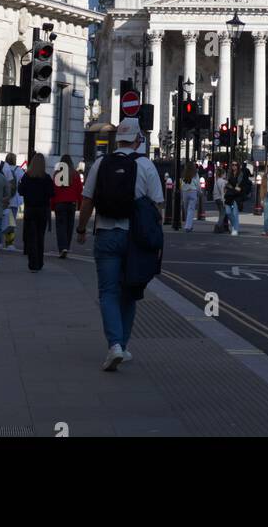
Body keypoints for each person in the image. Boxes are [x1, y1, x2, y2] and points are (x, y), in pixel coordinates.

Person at [76, 118, 164, 371]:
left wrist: (81, 229)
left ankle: (114, 345)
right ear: (138, 140)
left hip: (106, 233)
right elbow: (158, 206)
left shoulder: (101, 163)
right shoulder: (146, 165)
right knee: (130, 291)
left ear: (118, 140)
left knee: (107, 292)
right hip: (135, 238)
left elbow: (87, 200)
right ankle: (122, 346)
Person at [18, 153, 55, 271]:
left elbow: (21, 191)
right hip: (42, 209)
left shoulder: (26, 177)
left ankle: (32, 262)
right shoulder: (47, 178)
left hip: (30, 209)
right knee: (40, 236)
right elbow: (51, 193)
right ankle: (39, 261)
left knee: (31, 236)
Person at [51, 154, 82, 256]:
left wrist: (52, 205)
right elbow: (79, 191)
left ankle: (62, 247)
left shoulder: (57, 174)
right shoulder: (75, 174)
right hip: (71, 203)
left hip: (59, 203)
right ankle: (67, 247)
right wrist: (80, 204)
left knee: (61, 227)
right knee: (69, 226)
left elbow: (53, 191)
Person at [1, 151, 22, 250]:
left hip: (3, 199)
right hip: (14, 200)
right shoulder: (19, 170)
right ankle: (9, 243)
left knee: (1, 221)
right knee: (11, 223)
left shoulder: (4, 168)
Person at [223, 161, 243, 236]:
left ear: (238, 166)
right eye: (233, 165)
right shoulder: (229, 174)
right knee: (228, 212)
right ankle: (234, 226)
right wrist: (231, 187)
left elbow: (239, 186)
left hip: (237, 196)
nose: (234, 166)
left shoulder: (240, 174)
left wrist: (231, 187)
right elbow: (226, 183)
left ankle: (235, 229)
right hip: (229, 195)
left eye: (235, 165)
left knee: (235, 213)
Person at [180, 161, 200, 231]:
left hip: (185, 192)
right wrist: (199, 191)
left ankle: (188, 225)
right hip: (193, 191)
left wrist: (182, 190)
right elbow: (198, 184)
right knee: (191, 210)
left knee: (186, 209)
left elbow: (181, 183)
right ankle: (188, 226)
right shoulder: (195, 174)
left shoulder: (184, 174)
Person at [212, 165, 228, 231]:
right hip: (220, 198)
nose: (225, 175)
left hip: (216, 198)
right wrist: (223, 200)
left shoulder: (217, 180)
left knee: (220, 212)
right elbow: (222, 192)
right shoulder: (222, 181)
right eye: (225, 174)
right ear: (222, 174)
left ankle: (220, 226)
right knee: (223, 213)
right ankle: (218, 226)